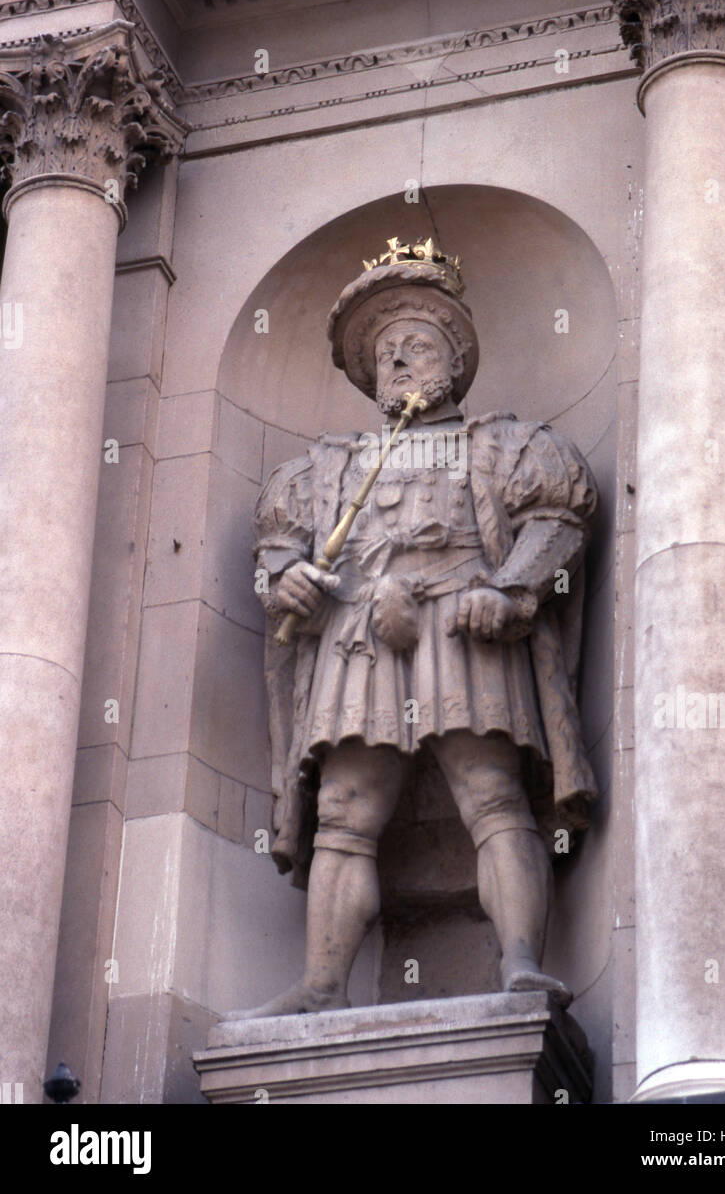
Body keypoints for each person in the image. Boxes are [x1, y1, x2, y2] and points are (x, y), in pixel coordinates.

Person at [228, 237, 598, 1018]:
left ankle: (522, 965)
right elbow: (274, 556)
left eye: (417, 345)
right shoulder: (326, 466)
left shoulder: (503, 445)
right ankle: (321, 985)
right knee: (343, 812)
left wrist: (510, 589)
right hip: (358, 634)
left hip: (465, 623)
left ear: (453, 361)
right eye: (386, 351)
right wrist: (286, 577)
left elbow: (559, 518)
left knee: (493, 793)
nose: (399, 360)